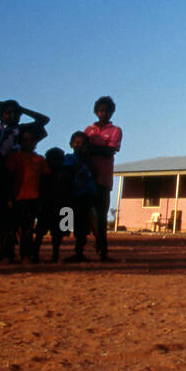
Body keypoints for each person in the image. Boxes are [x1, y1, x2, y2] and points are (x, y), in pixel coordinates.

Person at [84, 96, 122, 262]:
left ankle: (103, 250)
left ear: (111, 112)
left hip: (103, 179)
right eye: (100, 110)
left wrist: (89, 148)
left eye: (106, 110)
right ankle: (80, 250)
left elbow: (110, 151)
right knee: (84, 214)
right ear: (95, 111)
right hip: (86, 179)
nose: (103, 113)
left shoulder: (115, 131)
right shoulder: (88, 130)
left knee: (101, 215)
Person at [5, 125, 49, 263]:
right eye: (25, 140)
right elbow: (9, 177)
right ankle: (8, 255)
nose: (28, 143)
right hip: (17, 197)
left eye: (31, 141)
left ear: (35, 142)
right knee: (11, 229)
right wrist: (9, 197)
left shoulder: (40, 160)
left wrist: (42, 198)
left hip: (33, 198)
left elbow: (45, 180)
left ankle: (26, 255)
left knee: (28, 229)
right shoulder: (14, 158)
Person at [63, 131, 98, 262]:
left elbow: (94, 175)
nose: (79, 146)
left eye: (83, 144)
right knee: (65, 224)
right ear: (71, 144)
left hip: (86, 196)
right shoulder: (68, 159)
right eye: (77, 143)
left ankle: (79, 251)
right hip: (72, 195)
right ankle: (57, 251)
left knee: (82, 226)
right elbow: (67, 173)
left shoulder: (89, 162)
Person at [33, 147, 67, 263]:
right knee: (40, 232)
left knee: (57, 234)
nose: (56, 162)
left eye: (59, 159)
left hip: (58, 207)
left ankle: (55, 255)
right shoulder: (43, 175)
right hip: (46, 207)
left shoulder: (65, 175)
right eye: (53, 159)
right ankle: (36, 254)